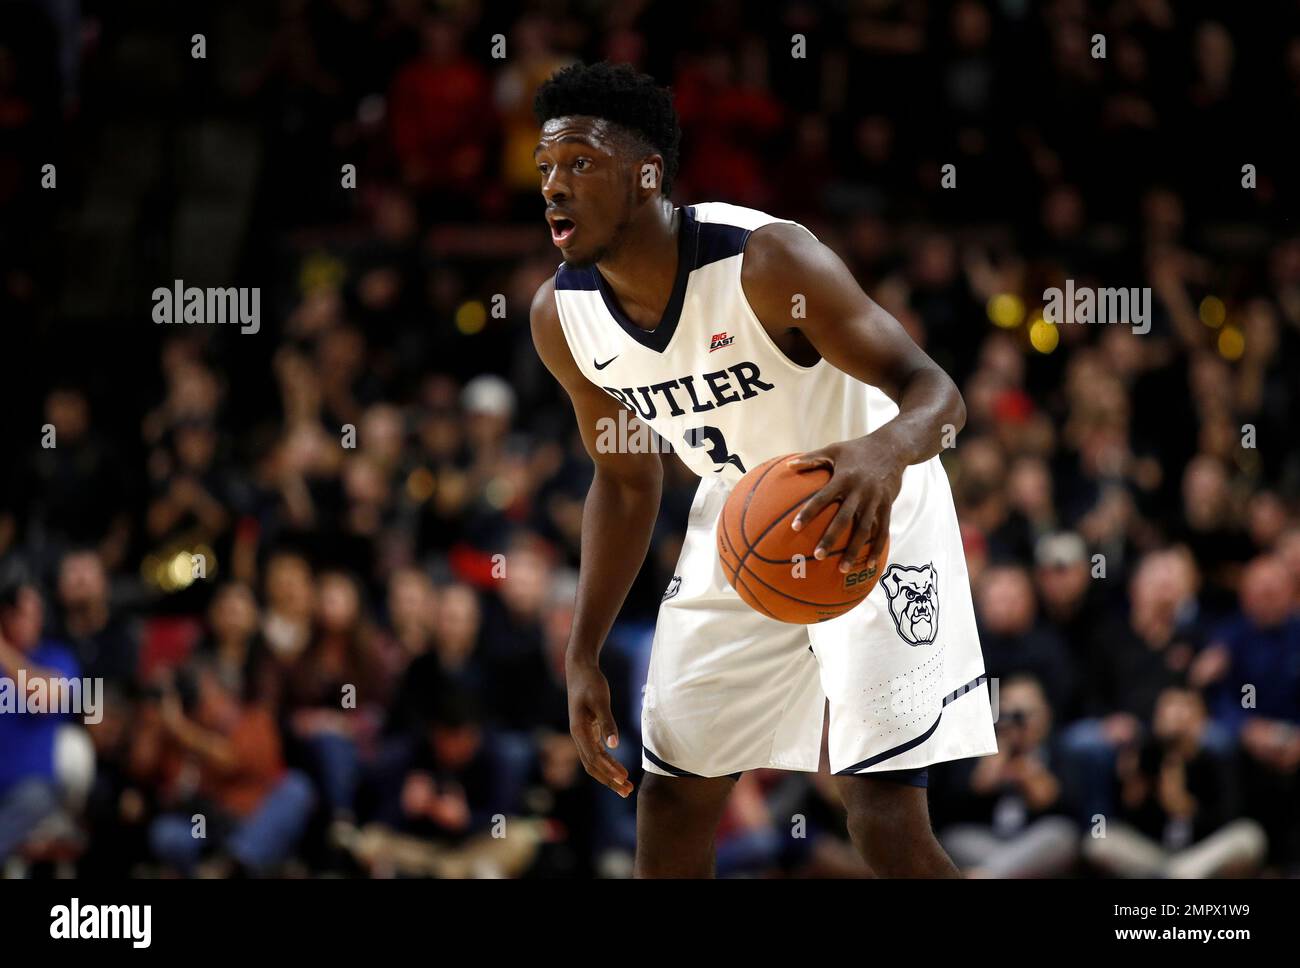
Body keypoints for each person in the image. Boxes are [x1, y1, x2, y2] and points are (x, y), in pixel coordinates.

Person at [528, 62, 996, 877]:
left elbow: (936, 392)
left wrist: (885, 452)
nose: (554, 188)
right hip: (745, 517)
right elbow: (627, 478)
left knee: (881, 818)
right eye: (546, 169)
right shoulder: (562, 317)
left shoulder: (767, 262)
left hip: (871, 506)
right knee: (671, 798)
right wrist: (583, 650)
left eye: (580, 165)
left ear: (645, 176)